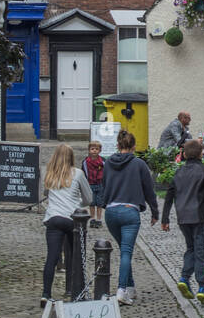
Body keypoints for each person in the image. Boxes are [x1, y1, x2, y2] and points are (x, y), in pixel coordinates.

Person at [99, 130, 159, 305]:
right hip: (129, 211)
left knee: (124, 249)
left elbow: (104, 184)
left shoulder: (108, 162)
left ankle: (130, 287)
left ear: (118, 145)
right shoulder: (139, 164)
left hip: (111, 211)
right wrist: (155, 212)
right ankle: (121, 289)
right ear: (134, 146)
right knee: (126, 252)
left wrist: (104, 203)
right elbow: (149, 189)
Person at [161, 138, 204, 306]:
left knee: (191, 249)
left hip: (182, 217)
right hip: (199, 216)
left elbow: (169, 195)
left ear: (184, 154)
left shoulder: (179, 172)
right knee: (200, 250)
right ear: (201, 153)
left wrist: (165, 218)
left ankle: (184, 278)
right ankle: (202, 288)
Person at [41, 144, 94, 307]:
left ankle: (46, 294)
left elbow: (45, 193)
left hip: (54, 219)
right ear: (72, 157)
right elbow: (89, 199)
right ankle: (74, 290)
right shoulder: (77, 174)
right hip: (72, 220)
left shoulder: (50, 173)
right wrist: (77, 202)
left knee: (52, 257)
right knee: (75, 256)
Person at [81, 140, 105, 227]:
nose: (94, 150)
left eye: (96, 149)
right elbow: (83, 173)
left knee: (99, 203)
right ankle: (92, 218)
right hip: (90, 184)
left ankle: (99, 219)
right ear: (89, 150)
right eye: (92, 149)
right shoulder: (85, 162)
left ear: (100, 150)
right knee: (92, 203)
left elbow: (106, 172)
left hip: (100, 184)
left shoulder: (103, 161)